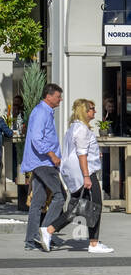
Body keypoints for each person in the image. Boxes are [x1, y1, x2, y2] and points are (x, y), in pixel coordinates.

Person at [56, 98, 114, 253]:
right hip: (85, 172)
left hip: (78, 172)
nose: (95, 111)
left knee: (77, 207)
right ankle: (94, 244)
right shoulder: (81, 129)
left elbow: (81, 152)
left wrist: (95, 156)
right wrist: (87, 177)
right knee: (95, 205)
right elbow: (82, 155)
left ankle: (48, 231)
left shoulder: (74, 128)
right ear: (85, 111)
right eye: (92, 108)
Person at [22, 83, 66, 252]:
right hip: (44, 162)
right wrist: (52, 155)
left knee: (38, 202)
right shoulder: (42, 112)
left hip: (40, 162)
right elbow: (36, 138)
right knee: (60, 195)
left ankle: (31, 240)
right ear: (49, 96)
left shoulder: (44, 111)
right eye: (58, 96)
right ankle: (45, 232)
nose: (60, 99)